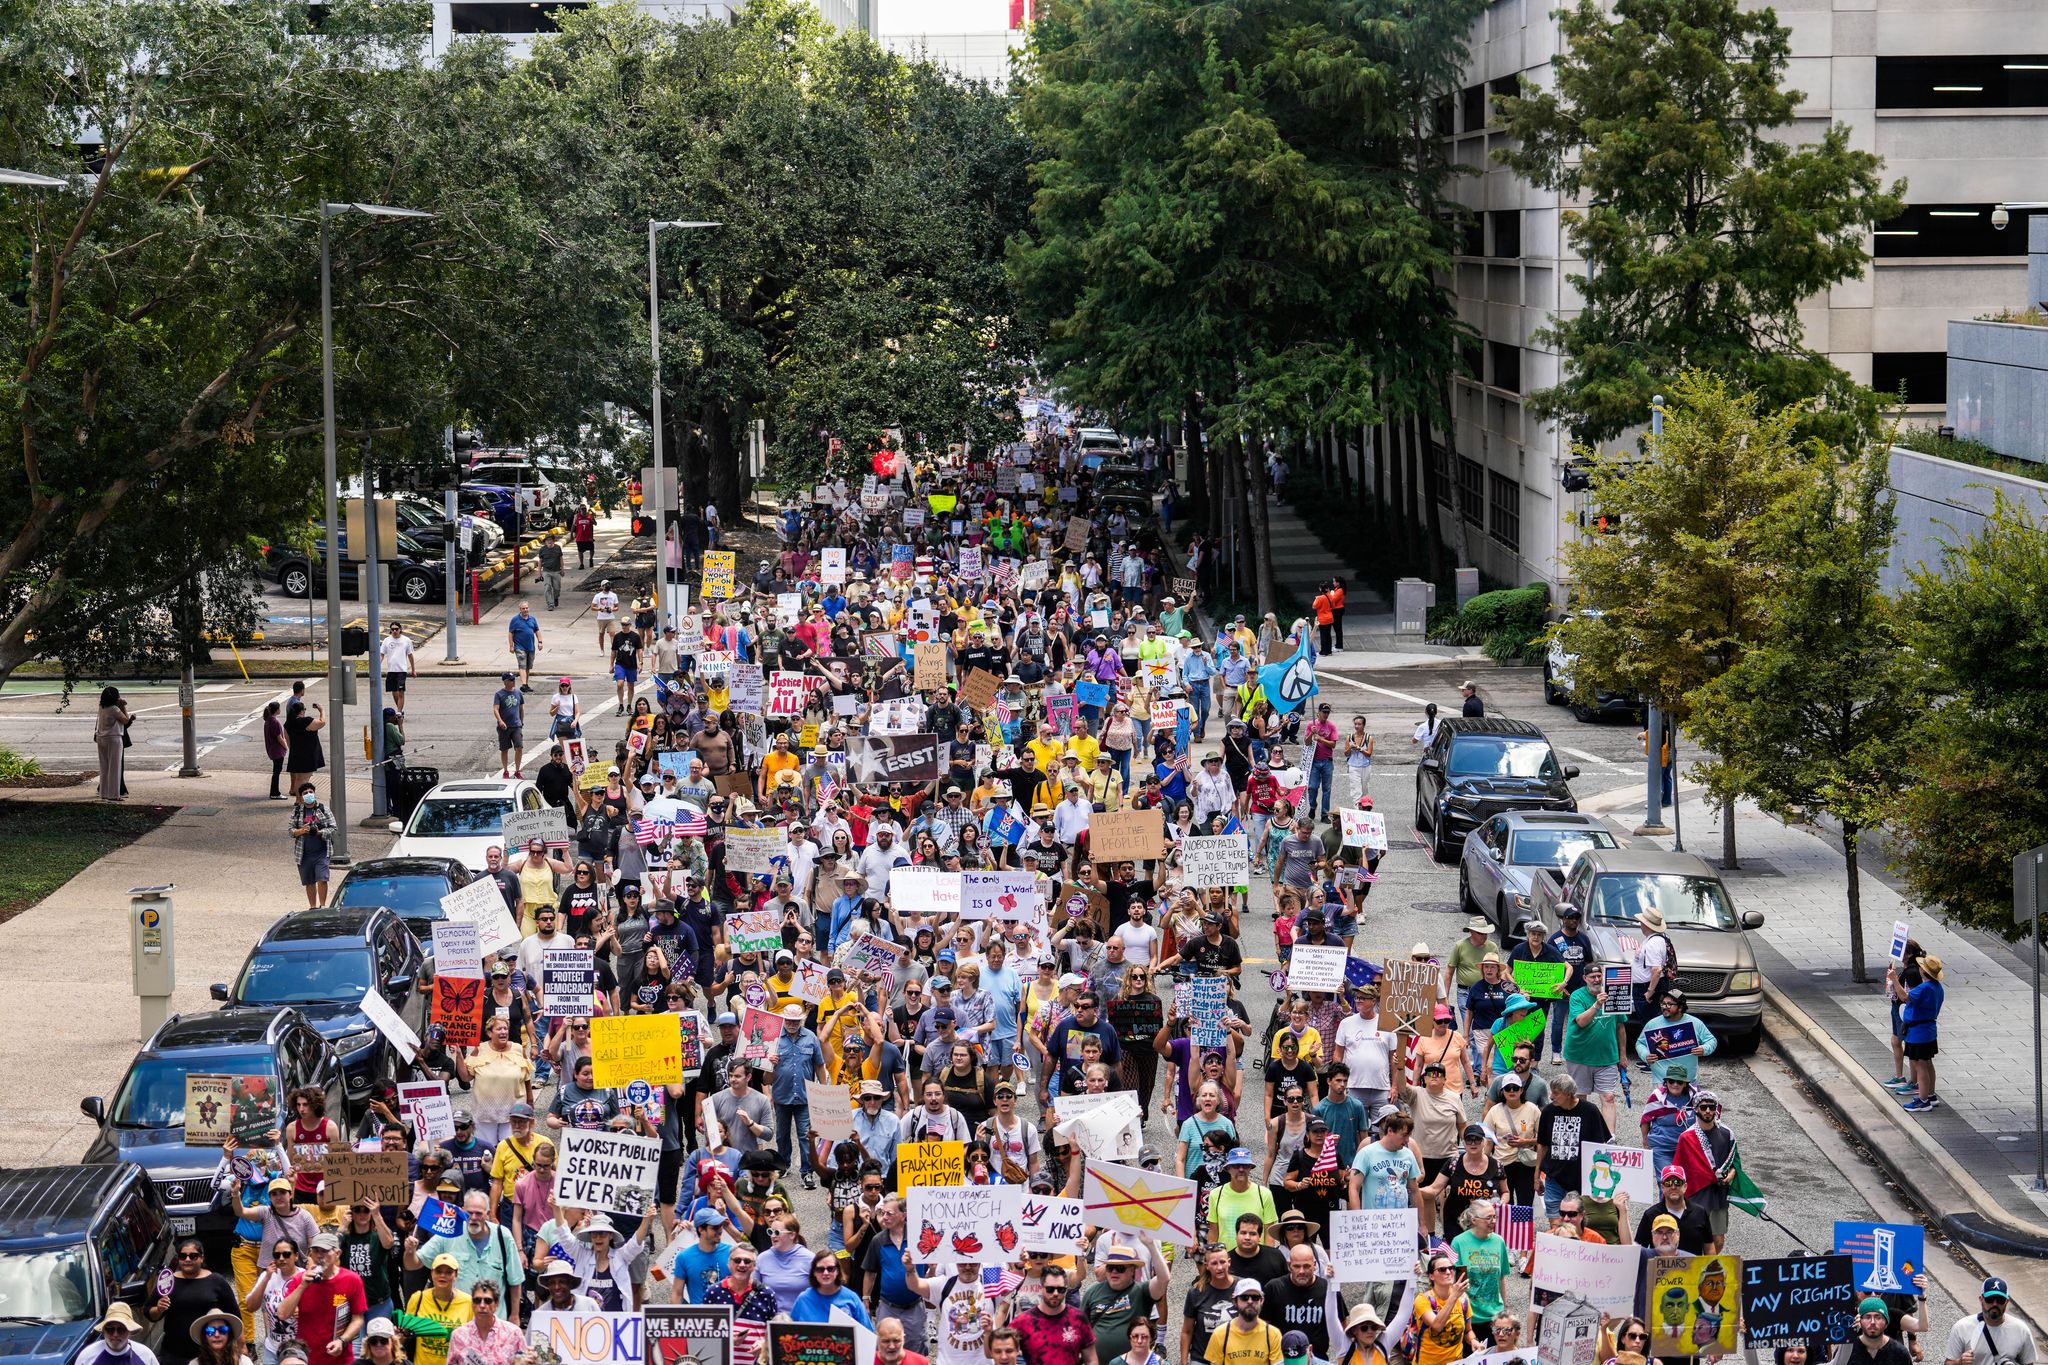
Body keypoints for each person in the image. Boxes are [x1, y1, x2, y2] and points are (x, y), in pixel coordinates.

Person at [279, 1233, 367, 1365]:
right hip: (307, 1357)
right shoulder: (300, 1280)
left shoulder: (352, 1280)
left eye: (325, 1251)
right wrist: (302, 1286)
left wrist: (342, 1341)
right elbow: (282, 1314)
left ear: (337, 1253)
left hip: (340, 1357)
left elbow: (358, 1319)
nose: (320, 1255)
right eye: (315, 1251)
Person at [150, 1237, 240, 1365]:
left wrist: (241, 1347)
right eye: (183, 1256)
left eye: (193, 1256)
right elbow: (149, 1313)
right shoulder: (168, 1282)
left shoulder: (216, 1281)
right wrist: (158, 1309)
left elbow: (234, 1313)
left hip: (207, 1355)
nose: (187, 1259)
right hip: (173, 1353)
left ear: (201, 1258)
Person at [1082, 1240, 1170, 1365]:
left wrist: (1152, 1247)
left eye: (1120, 1268)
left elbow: (1163, 1279)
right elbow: (1080, 1329)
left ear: (1132, 1270)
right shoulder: (1092, 1292)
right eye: (1110, 1267)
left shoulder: (1141, 1291)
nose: (1114, 1272)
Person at [1943, 1277, 2037, 1365]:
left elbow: (2029, 1363)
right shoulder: (1962, 1327)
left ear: (2006, 1302)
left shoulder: (2021, 1330)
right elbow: (1948, 1363)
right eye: (1990, 1299)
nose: (1994, 1304)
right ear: (1981, 1299)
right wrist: (1959, 1362)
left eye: (2000, 1300)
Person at [1014, 1263, 1094, 1365]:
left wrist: (1081, 1256)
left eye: (1061, 1289)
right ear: (1041, 1288)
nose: (1055, 1293)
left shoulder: (1078, 1319)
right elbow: (999, 1352)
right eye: (1050, 1289)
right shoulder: (1022, 1320)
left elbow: (1091, 1359)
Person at [1894, 953, 1945, 1113]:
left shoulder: (1923, 988)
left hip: (1918, 1032)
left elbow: (1904, 997)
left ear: (1924, 971)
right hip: (1929, 1030)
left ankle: (1923, 1101)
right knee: (1928, 1063)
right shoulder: (1937, 988)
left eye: (1921, 967)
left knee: (1920, 1065)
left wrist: (1894, 980)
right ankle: (1930, 1095)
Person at [1203, 1280, 1282, 1365]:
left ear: (1261, 1300)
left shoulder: (1273, 1334)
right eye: (1244, 1297)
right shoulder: (1220, 1334)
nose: (1250, 1301)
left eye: (1255, 1297)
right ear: (1235, 1301)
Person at [443, 1281, 522, 1365]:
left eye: (488, 1301)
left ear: (497, 1304)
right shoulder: (458, 1335)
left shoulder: (514, 1334)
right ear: (472, 1303)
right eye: (477, 1300)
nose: (482, 1305)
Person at [791, 1254, 871, 1327]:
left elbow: (867, 1332)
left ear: (837, 1271)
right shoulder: (803, 1299)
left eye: (830, 1269)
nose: (825, 1273)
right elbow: (790, 1332)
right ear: (814, 1272)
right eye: (820, 1269)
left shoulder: (852, 1298)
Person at [288, 783, 335, 909]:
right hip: (304, 853)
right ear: (301, 797)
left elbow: (333, 828)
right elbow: (290, 830)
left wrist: (320, 832)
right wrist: (301, 831)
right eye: (305, 793)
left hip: (322, 852)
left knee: (322, 878)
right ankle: (313, 907)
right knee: (309, 882)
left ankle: (323, 906)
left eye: (310, 792)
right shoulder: (297, 812)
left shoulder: (323, 809)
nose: (309, 794)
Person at [82, 1303, 161, 1365]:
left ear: (129, 1330)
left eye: (121, 1329)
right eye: (110, 1329)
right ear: (103, 1330)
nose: (115, 1334)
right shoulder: (87, 1357)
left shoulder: (146, 1356)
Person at [1844, 1296, 1914, 1365]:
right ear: (1860, 1322)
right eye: (1867, 1317)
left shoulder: (1900, 1353)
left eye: (1878, 1317)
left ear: (1886, 1323)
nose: (1872, 1322)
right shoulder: (1846, 1352)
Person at [94, 685, 133, 801]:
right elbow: (126, 720)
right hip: (114, 738)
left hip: (101, 738)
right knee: (115, 767)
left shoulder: (101, 707)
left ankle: (104, 793)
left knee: (104, 767)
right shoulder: (114, 709)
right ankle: (114, 795)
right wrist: (123, 707)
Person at [284, 688, 326, 795]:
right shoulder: (306, 721)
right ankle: (301, 800)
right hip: (307, 755)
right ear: (302, 711)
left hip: (295, 754)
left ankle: (299, 799)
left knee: (299, 778)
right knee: (304, 780)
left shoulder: (288, 724)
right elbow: (321, 723)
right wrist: (322, 710)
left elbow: (287, 740)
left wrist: (294, 750)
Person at [493, 672, 525, 779]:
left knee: (519, 747)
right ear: (505, 682)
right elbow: (495, 709)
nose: (513, 682)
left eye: (514, 679)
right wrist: (500, 721)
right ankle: (505, 770)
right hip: (504, 727)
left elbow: (521, 708)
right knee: (504, 749)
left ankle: (517, 770)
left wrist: (521, 721)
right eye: (511, 680)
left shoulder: (518, 693)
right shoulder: (499, 694)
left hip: (516, 725)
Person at [538, 536, 565, 610]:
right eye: (547, 540)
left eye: (550, 540)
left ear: (553, 541)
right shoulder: (542, 549)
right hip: (546, 571)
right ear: (545, 542)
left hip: (556, 571)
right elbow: (540, 561)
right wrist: (539, 573)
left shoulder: (557, 548)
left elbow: (561, 559)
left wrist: (562, 569)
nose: (549, 542)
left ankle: (555, 598)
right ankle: (550, 604)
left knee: (557, 588)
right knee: (547, 587)